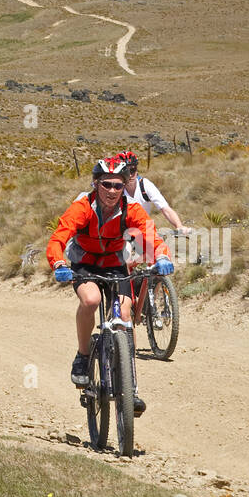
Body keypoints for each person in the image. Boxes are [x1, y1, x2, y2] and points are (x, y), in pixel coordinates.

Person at [46, 156, 174, 416]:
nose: (113, 191)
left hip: (115, 262)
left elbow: (150, 234)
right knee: (91, 300)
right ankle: (83, 357)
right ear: (96, 184)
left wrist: (161, 256)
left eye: (118, 185)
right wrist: (59, 264)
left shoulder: (132, 208)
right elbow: (59, 236)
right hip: (85, 262)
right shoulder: (83, 206)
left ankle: (131, 389)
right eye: (106, 185)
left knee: (124, 316)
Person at [116, 151, 191, 235]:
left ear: (137, 170)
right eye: (125, 171)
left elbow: (165, 208)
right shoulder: (114, 188)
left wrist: (179, 226)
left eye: (132, 170)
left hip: (143, 228)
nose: (129, 175)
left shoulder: (145, 185)